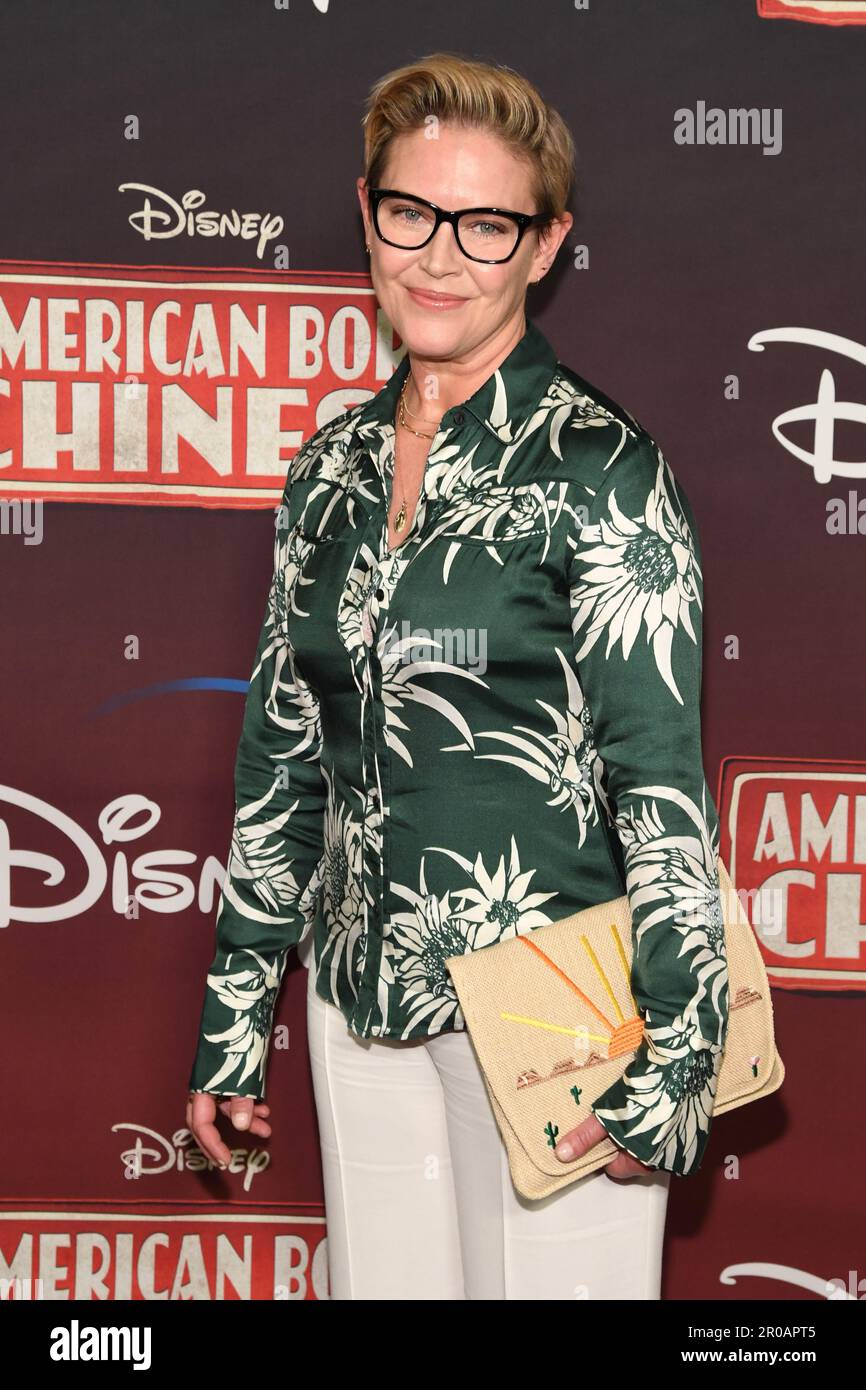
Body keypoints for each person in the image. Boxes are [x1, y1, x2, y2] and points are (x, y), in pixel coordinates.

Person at [186, 51, 728, 1301]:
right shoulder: (327, 469)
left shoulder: (603, 472)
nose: (437, 257)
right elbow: (282, 754)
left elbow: (658, 784)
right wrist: (234, 1011)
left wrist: (677, 1055)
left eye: (484, 225)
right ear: (365, 213)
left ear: (543, 247)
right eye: (409, 213)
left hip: (557, 1015)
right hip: (355, 1006)